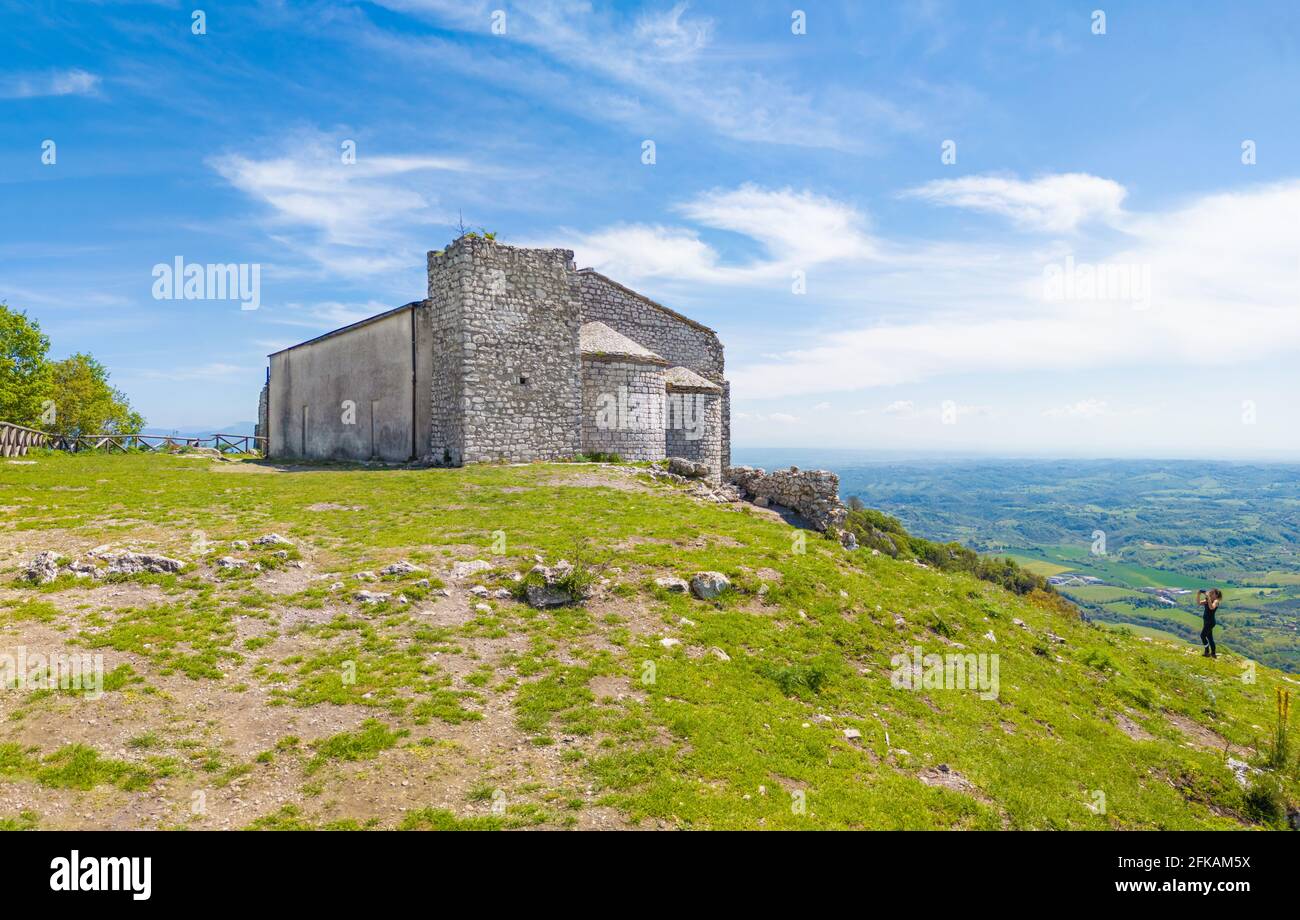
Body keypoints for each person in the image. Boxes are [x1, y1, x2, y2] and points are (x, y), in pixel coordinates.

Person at [1196, 588, 1222, 658]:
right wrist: (1198, 594)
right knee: (1210, 638)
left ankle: (1207, 651)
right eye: (1210, 593)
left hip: (1210, 622)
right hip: (1206, 621)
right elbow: (1199, 603)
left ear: (1216, 595)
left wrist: (1208, 598)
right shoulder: (1208, 600)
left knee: (1202, 636)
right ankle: (1213, 653)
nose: (1210, 594)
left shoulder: (1216, 601)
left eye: (1212, 593)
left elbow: (1211, 607)